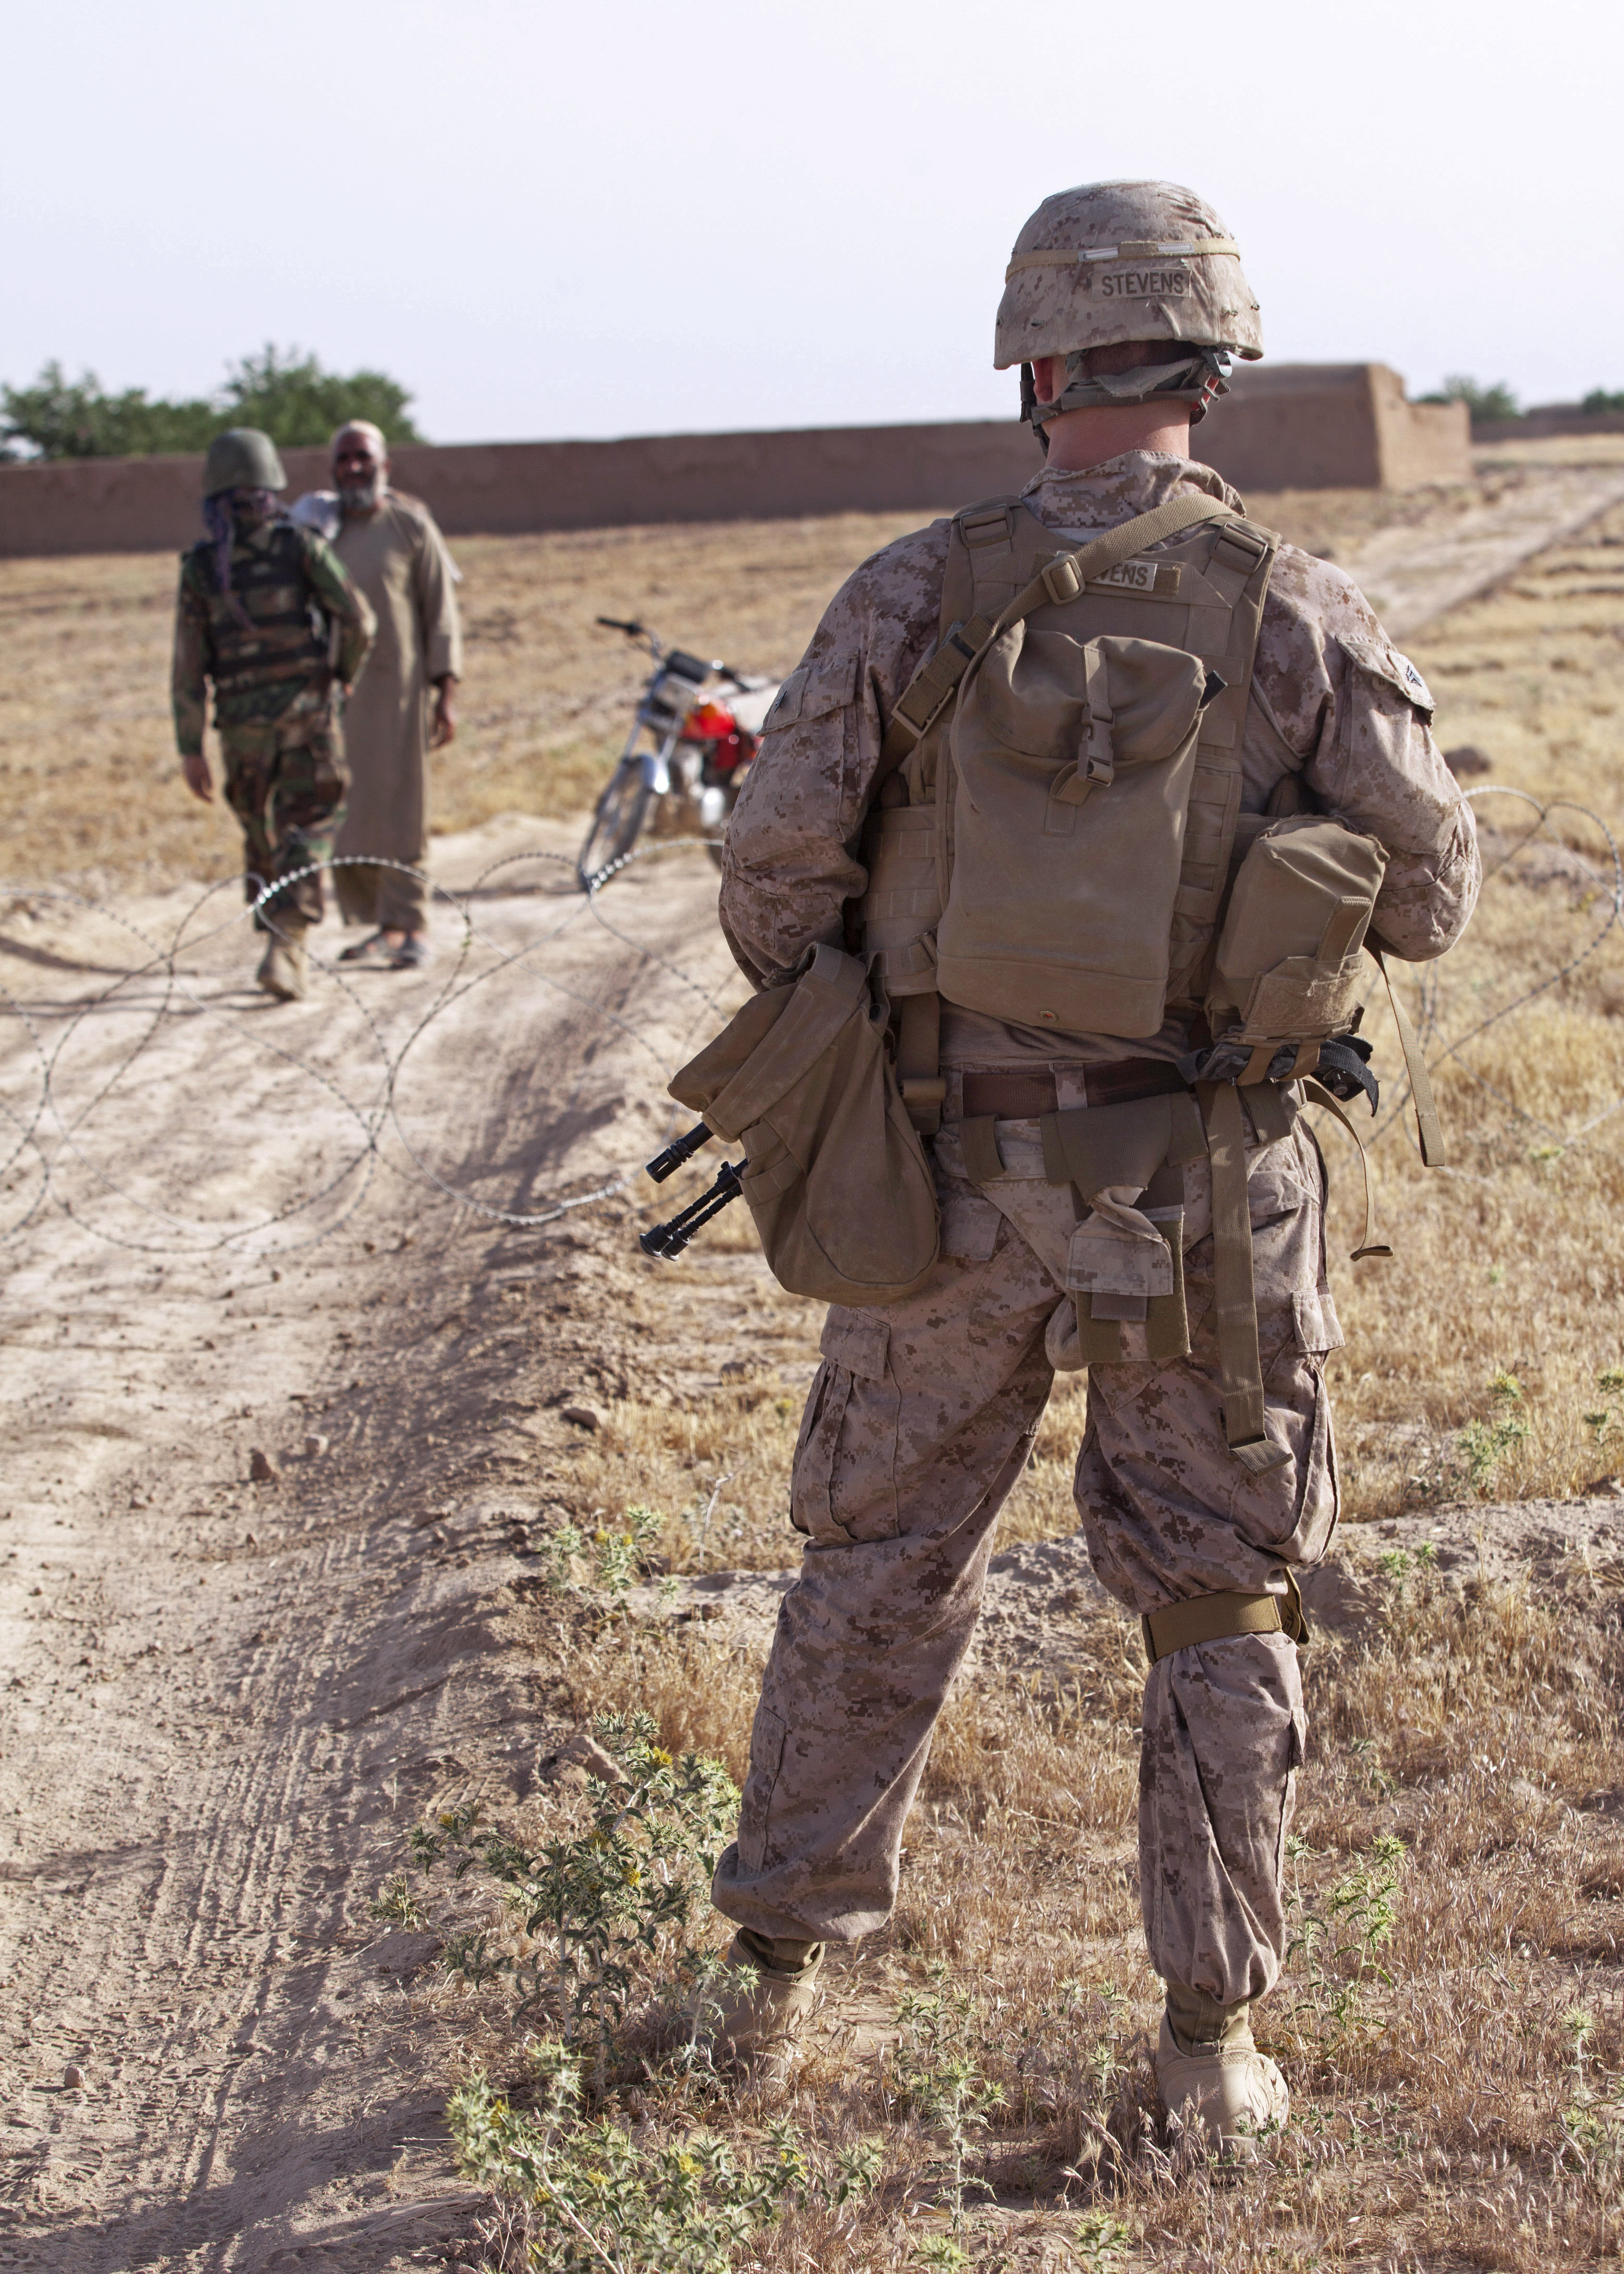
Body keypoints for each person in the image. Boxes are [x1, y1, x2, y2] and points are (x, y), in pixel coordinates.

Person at [705, 180, 1481, 2143]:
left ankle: (768, 1989)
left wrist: (888, 1027)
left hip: (942, 1178)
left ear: (1034, 366)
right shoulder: (1297, 601)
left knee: (878, 1560)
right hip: (1201, 1195)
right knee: (1218, 1593)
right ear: (1211, 370)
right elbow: (1435, 897)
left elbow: (770, 868)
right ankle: (1209, 2048)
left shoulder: (908, 592)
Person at [173, 429, 376, 1001]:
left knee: (261, 832)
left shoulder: (202, 566)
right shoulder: (300, 547)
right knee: (309, 826)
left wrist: (190, 747)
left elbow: (187, 668)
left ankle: (274, 930)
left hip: (241, 728)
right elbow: (359, 620)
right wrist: (342, 676)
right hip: (308, 716)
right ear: (271, 485)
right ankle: (287, 941)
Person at [314, 421, 463, 970]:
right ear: (333, 469)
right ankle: (382, 925)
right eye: (345, 459)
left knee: (403, 810)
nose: (354, 467)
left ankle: (413, 924)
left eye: (364, 458)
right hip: (340, 700)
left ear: (384, 466)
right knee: (352, 814)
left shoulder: (409, 526)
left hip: (399, 694)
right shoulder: (322, 533)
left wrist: (444, 694)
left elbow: (440, 613)